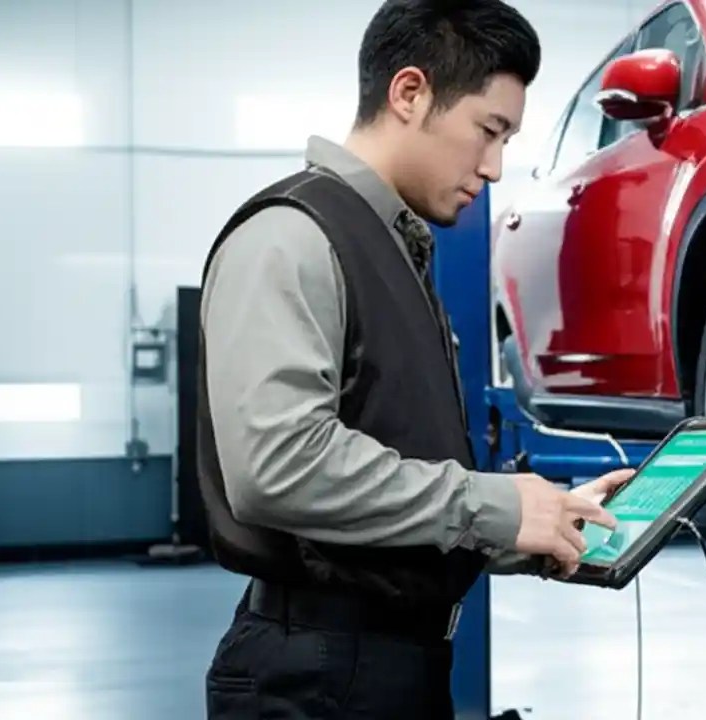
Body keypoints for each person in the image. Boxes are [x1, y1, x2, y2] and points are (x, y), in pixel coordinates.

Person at [195, 1, 633, 717]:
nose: (493, 166)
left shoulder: (394, 247)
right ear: (409, 93)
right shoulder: (292, 237)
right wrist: (491, 505)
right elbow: (277, 468)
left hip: (393, 663)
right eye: (488, 131)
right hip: (317, 674)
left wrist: (540, 523)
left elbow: (395, 475)